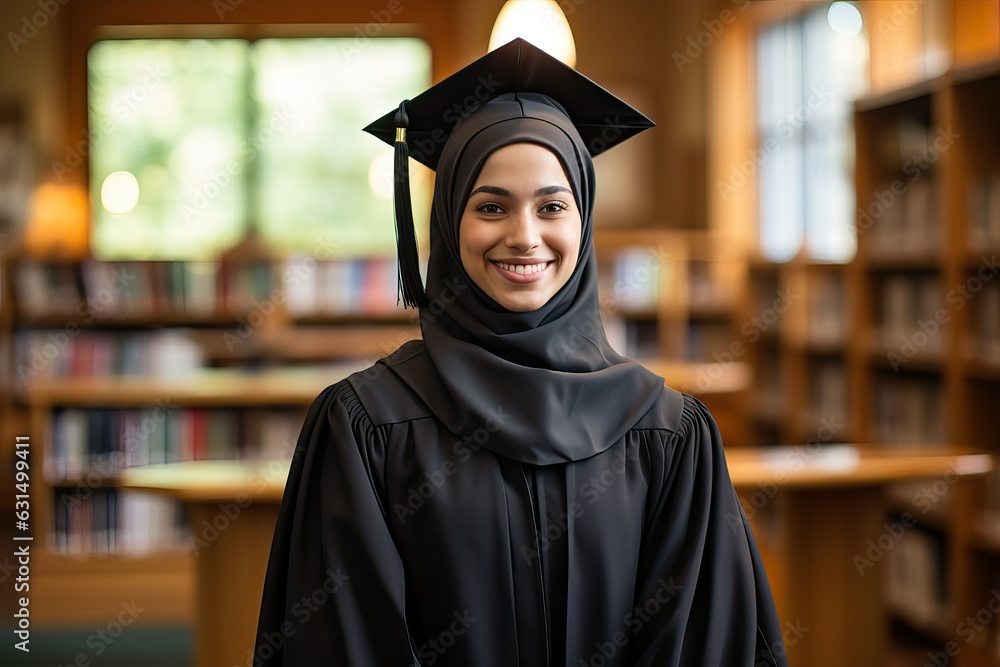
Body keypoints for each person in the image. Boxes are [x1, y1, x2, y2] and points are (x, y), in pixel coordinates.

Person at [254, 38, 786, 667]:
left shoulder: (669, 434)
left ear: (584, 221)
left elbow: (703, 644)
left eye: (553, 206)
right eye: (491, 206)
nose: (525, 236)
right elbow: (343, 643)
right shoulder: (365, 426)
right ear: (451, 220)